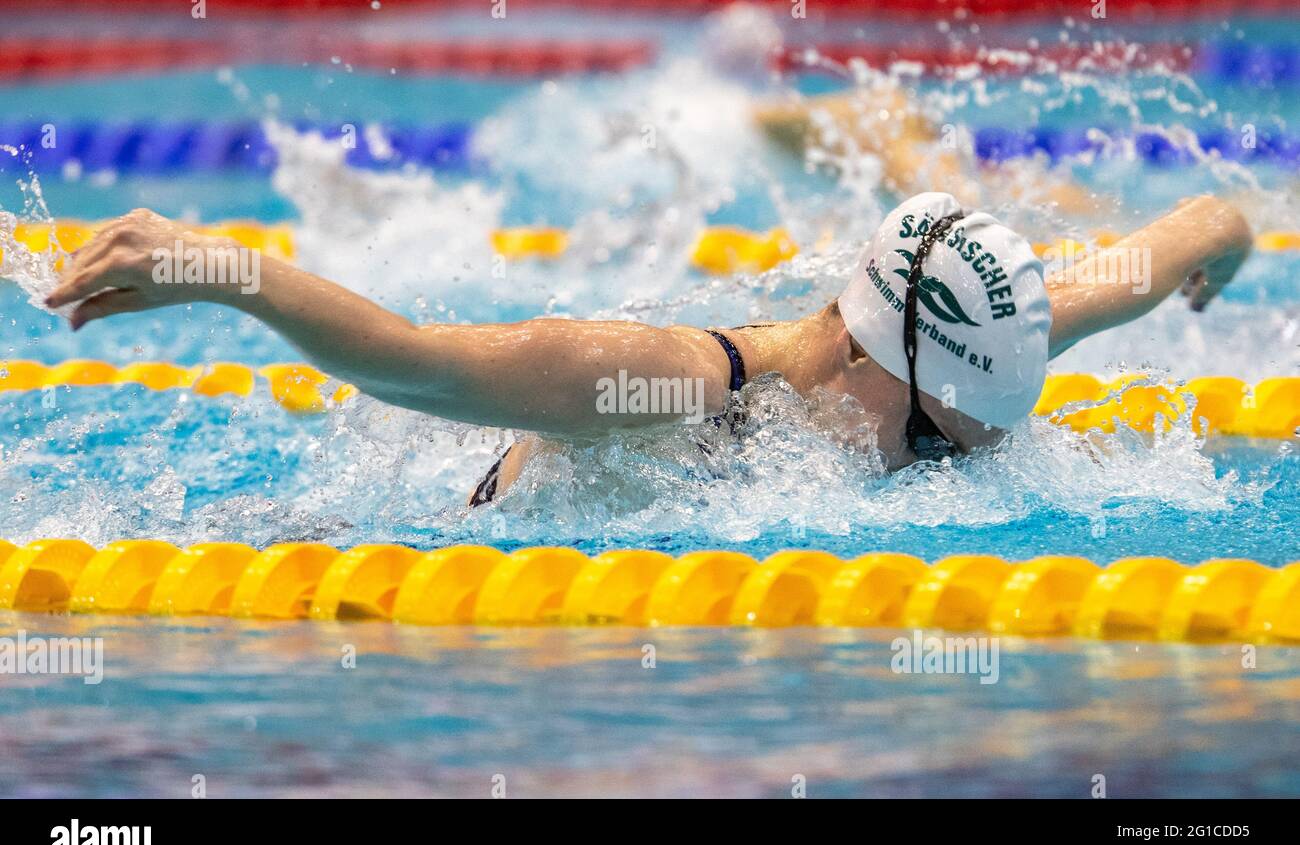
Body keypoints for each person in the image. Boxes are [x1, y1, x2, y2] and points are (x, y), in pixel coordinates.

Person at [44, 192, 1252, 505]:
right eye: (933, 443)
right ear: (855, 350)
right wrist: (219, 268)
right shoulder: (665, 385)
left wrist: (1227, 245)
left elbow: (1189, 233)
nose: (943, 464)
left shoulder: (984, 345)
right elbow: (412, 361)